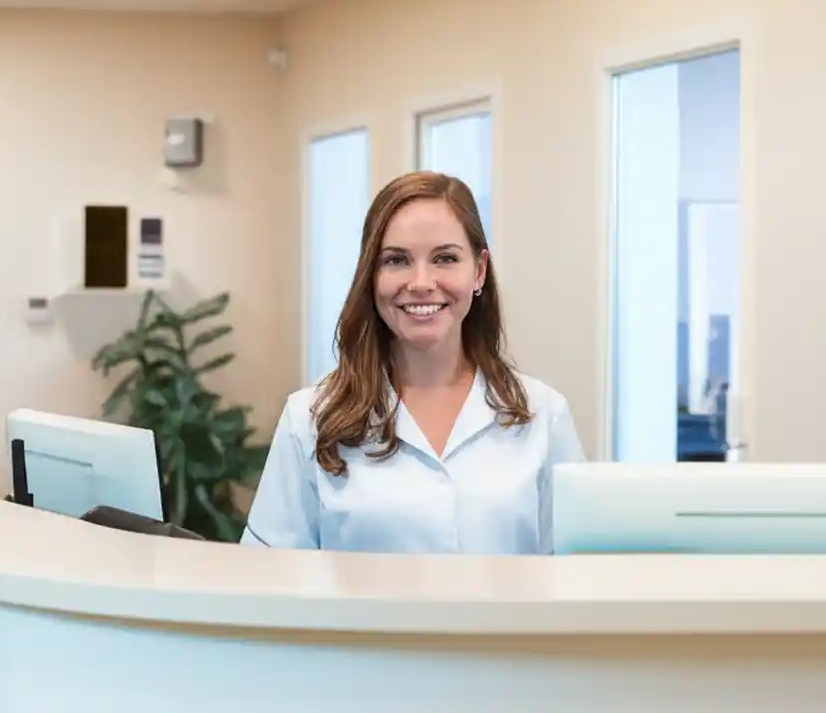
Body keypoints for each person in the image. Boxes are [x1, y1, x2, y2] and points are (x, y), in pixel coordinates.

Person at [241, 171, 586, 554]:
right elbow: (272, 578)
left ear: (479, 270)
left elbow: (574, 576)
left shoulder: (543, 414)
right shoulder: (309, 417)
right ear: (372, 276)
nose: (421, 282)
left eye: (445, 258)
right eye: (397, 260)